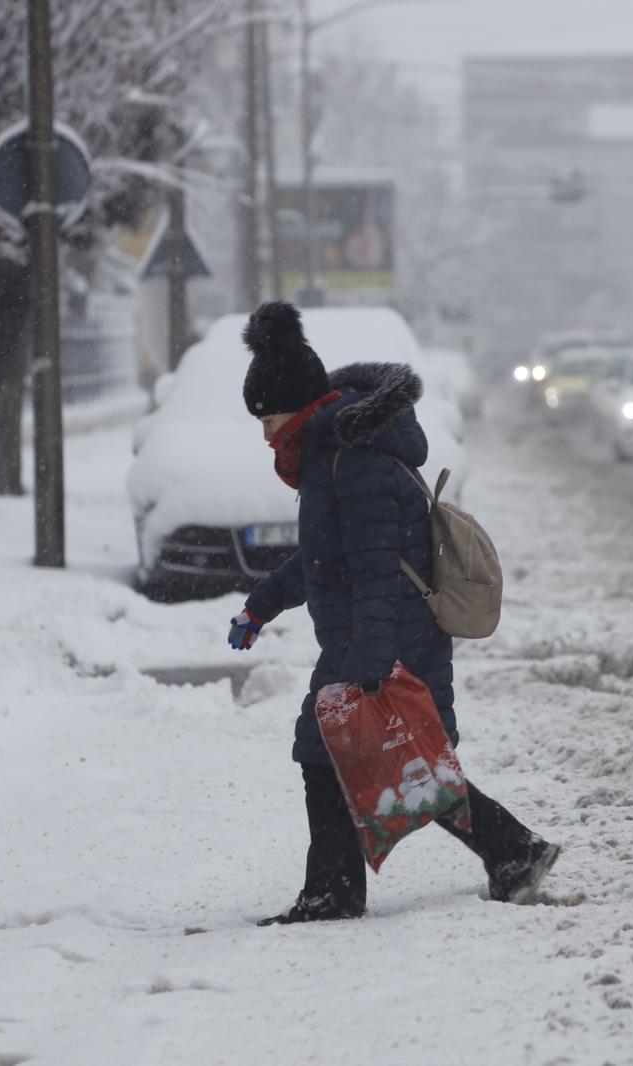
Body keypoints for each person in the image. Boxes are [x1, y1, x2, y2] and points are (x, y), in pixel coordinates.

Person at [228, 301, 560, 926]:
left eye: (268, 417)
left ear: (297, 408)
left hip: (386, 641)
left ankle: (334, 894)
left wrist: (371, 665)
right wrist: (261, 606)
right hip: (377, 639)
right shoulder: (332, 457)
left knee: (347, 754)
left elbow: (377, 571)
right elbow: (325, 559)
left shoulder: (351, 463)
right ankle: (513, 853)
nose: (266, 432)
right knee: (400, 764)